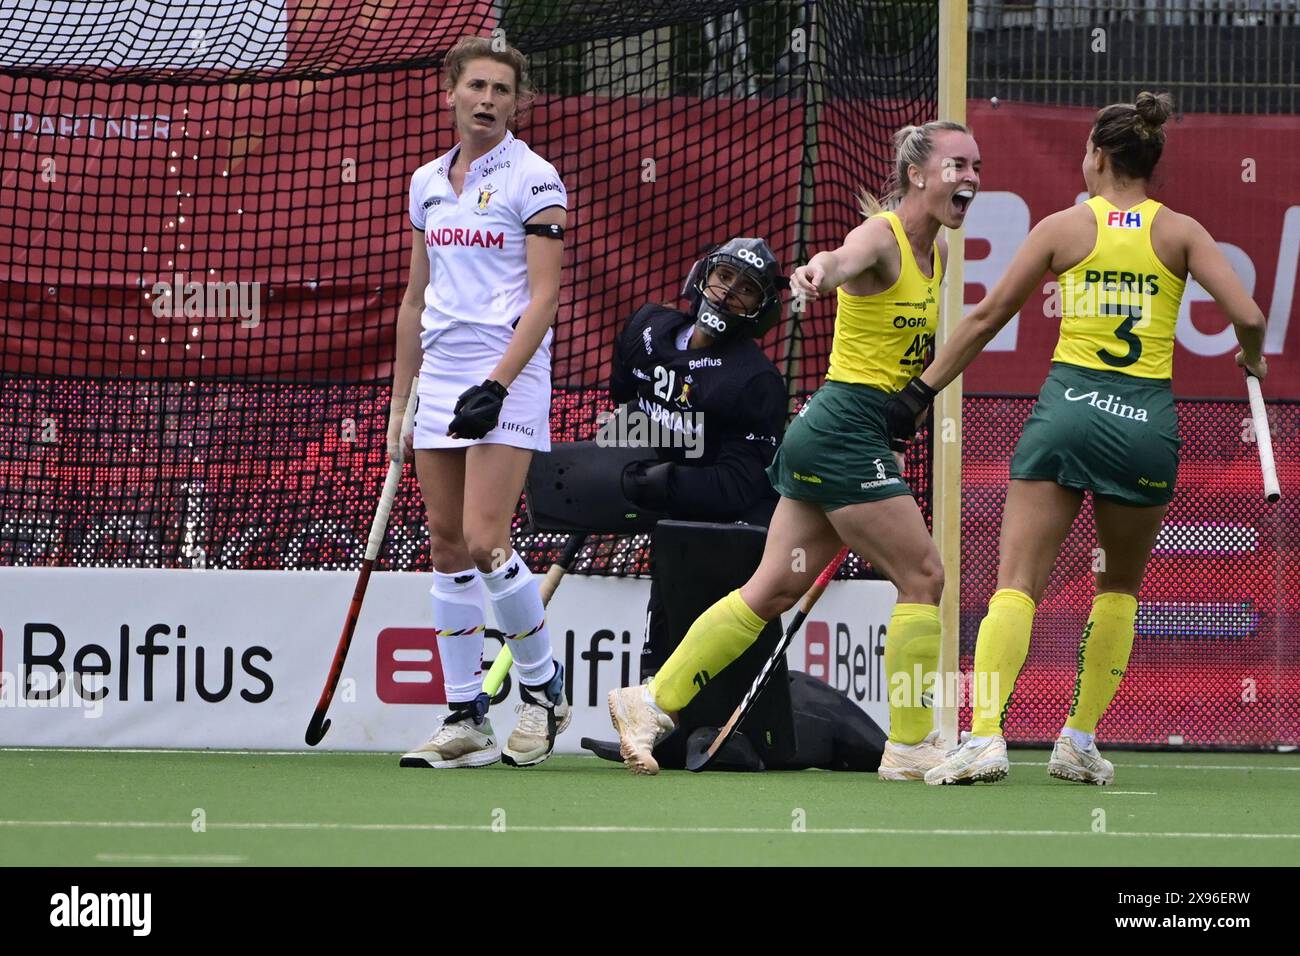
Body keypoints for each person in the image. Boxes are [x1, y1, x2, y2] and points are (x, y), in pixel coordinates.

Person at [910, 92, 1268, 785]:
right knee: (1120, 587)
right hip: (1144, 426)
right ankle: (1077, 740)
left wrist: (921, 393)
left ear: (1099, 158)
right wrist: (1250, 355)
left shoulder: (1063, 229)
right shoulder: (1182, 233)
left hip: (1068, 410)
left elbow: (984, 317)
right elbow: (1249, 315)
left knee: (1017, 582)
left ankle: (985, 737)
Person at [607, 121, 983, 777]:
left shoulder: (941, 256)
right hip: (841, 430)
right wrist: (815, 275)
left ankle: (649, 702)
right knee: (923, 576)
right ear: (919, 174)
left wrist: (910, 403)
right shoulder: (880, 237)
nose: (971, 178)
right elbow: (836, 262)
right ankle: (912, 743)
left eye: (977, 166)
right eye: (958, 166)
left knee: (770, 587)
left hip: (836, 434)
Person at [389, 36, 571, 769]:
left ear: (517, 102)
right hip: (439, 378)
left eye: (502, 90)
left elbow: (546, 296)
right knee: (446, 543)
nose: (488, 100)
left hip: (510, 373)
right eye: (477, 87)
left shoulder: (536, 178)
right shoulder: (426, 183)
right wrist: (402, 402)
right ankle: (466, 718)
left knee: (487, 539)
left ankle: (543, 690)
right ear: (451, 92)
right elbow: (413, 300)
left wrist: (496, 385)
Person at [610, 237, 789, 682]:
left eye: (746, 288)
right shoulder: (646, 329)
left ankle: (715, 723)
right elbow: (621, 408)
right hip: (666, 503)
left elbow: (739, 486)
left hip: (731, 528)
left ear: (760, 308)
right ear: (703, 276)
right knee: (662, 627)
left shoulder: (756, 381)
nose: (728, 294)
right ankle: (652, 714)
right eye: (724, 277)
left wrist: (664, 482)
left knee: (707, 640)